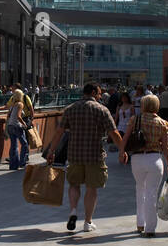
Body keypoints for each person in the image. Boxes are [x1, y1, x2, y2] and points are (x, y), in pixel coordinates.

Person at [44, 83, 122, 233]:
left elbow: (59, 132)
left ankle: (73, 210)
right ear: (93, 92)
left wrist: (51, 151)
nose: (100, 96)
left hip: (74, 154)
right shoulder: (101, 110)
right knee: (91, 188)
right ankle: (88, 222)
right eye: (99, 94)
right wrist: (122, 150)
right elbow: (114, 133)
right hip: (94, 155)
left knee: (74, 185)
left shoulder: (70, 109)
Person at [119, 93, 168, 236]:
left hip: (137, 159)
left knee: (139, 190)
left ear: (143, 105)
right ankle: (150, 228)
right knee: (151, 194)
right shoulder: (163, 123)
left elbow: (125, 138)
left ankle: (140, 223)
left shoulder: (135, 119)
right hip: (155, 159)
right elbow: (166, 147)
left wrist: (121, 152)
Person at [6, 88, 30, 171]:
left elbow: (8, 115)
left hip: (10, 126)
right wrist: (24, 124)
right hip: (16, 126)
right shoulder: (20, 104)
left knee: (14, 145)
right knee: (24, 144)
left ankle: (13, 165)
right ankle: (22, 163)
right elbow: (19, 116)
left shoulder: (12, 104)